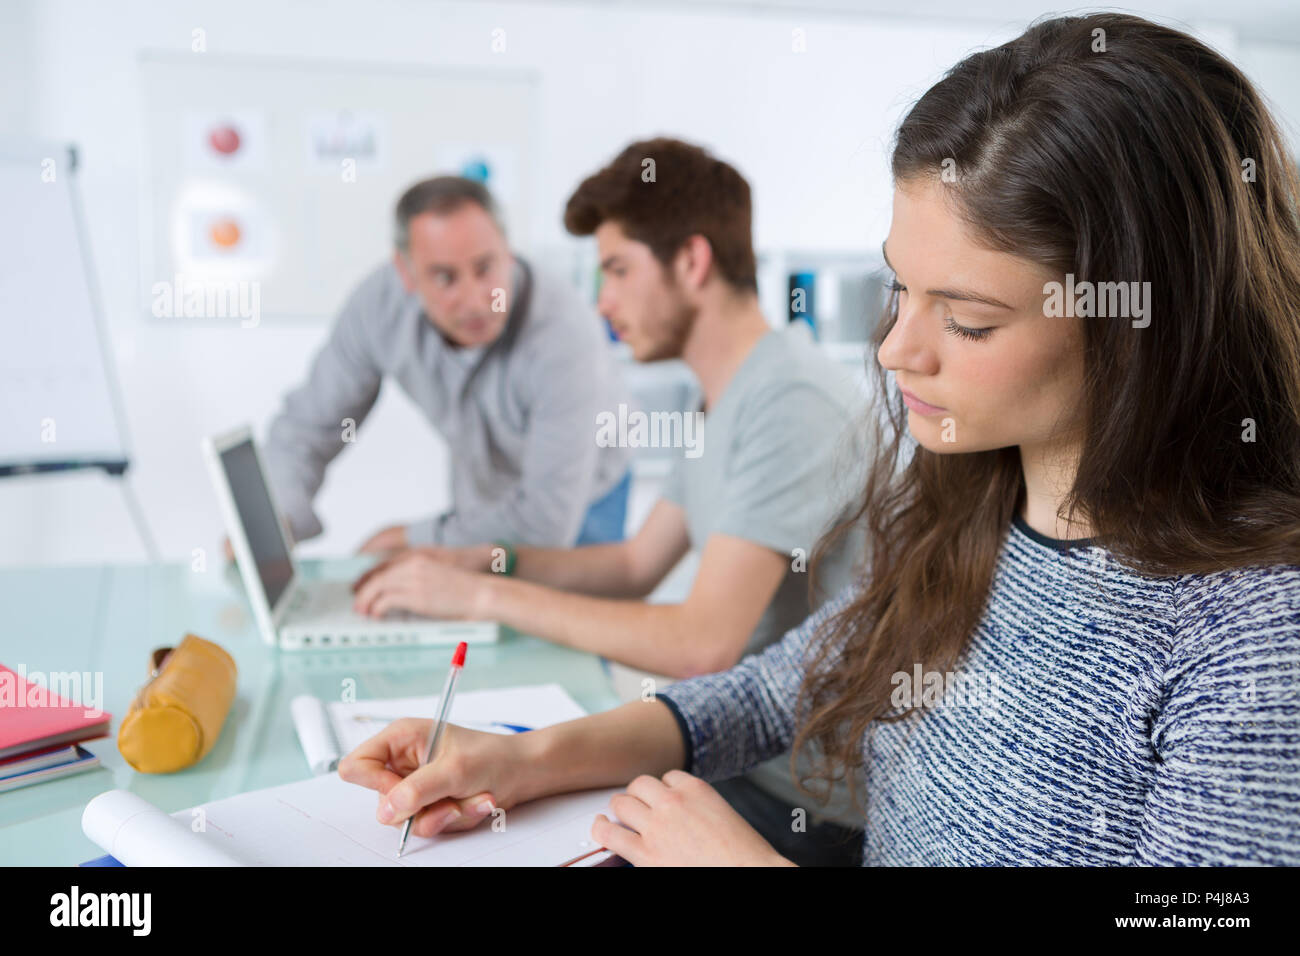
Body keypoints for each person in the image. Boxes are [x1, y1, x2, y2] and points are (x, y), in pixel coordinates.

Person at [343, 12, 1300, 865]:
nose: (894, 351)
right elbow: (769, 690)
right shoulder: (972, 507)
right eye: (898, 289)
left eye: (966, 320)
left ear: (1143, 322)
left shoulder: (1253, 648)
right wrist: (527, 758)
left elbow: (703, 642)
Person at [350, 138, 870, 866]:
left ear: (691, 262)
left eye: (619, 270)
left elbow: (700, 644)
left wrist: (478, 594)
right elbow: (634, 563)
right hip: (732, 761)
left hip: (800, 805)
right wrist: (488, 562)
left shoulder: (790, 399)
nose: (603, 301)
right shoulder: (725, 395)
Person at [258, 176, 632, 553]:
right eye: (444, 277)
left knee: (566, 606)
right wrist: (275, 519)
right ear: (405, 272)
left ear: (508, 251)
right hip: (485, 493)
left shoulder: (564, 333)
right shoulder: (379, 308)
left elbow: (546, 524)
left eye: (485, 268)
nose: (473, 301)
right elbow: (307, 428)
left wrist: (406, 539)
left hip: (581, 495)